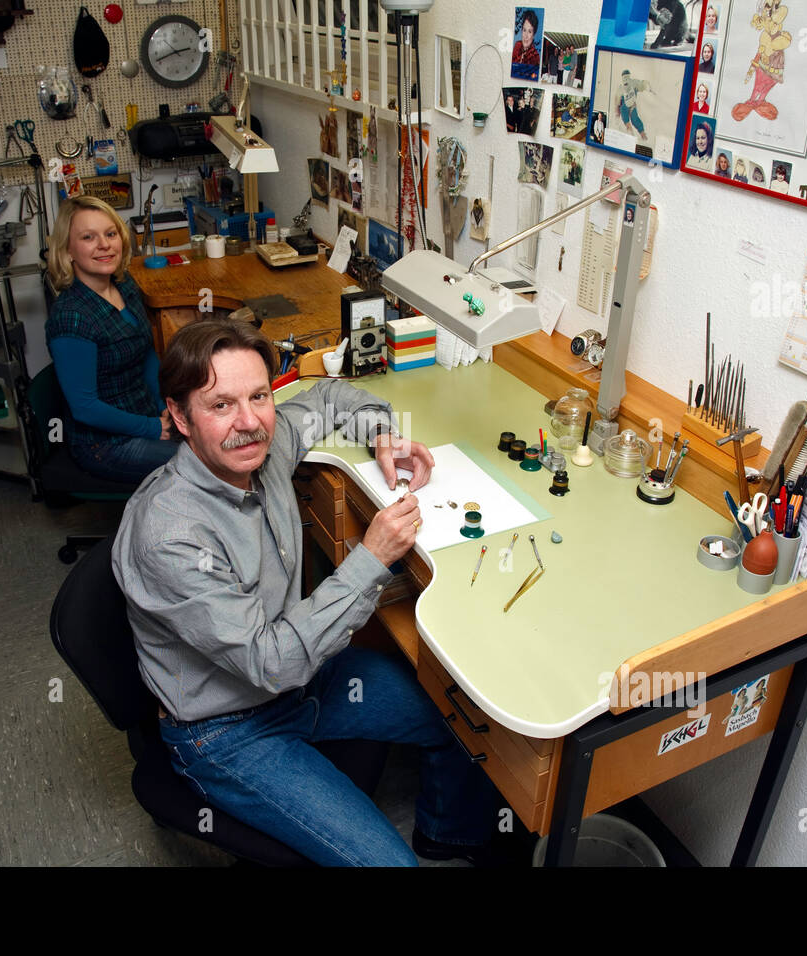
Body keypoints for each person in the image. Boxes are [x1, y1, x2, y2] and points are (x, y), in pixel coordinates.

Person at [113, 320, 516, 867]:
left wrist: (382, 435)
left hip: (309, 678)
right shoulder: (169, 535)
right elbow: (271, 662)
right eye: (220, 405)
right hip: (229, 729)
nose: (249, 422)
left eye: (258, 396)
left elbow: (327, 395)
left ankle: (450, 834)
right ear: (180, 417)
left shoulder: (267, 442)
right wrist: (370, 559)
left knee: (467, 720)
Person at [45, 196, 176, 484]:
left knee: (212, 435)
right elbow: (85, 407)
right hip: (104, 445)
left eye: (110, 234)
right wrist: (153, 428)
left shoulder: (125, 286)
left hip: (146, 416)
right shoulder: (71, 317)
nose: (104, 244)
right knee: (205, 461)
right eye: (88, 237)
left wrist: (163, 406)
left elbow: (146, 357)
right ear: (68, 251)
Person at [732, 0, 790, 121]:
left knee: (770, 83)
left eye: (776, 7)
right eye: (769, 8)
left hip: (776, 63)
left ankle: (760, 100)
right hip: (764, 63)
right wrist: (754, 63)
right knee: (759, 84)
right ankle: (753, 100)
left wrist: (779, 41)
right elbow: (760, 51)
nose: (773, 11)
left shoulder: (781, 35)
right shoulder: (765, 36)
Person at [617, 69, 651, 140]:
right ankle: (633, 135)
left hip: (631, 105)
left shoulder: (633, 83)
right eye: (624, 78)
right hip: (626, 105)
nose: (626, 79)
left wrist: (645, 85)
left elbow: (642, 85)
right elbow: (618, 100)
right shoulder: (622, 86)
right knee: (630, 119)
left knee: (633, 119)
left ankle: (641, 134)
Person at [512, 9, 540, 80]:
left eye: (530, 32)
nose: (526, 36)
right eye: (524, 30)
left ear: (533, 35)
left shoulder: (535, 57)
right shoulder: (517, 45)